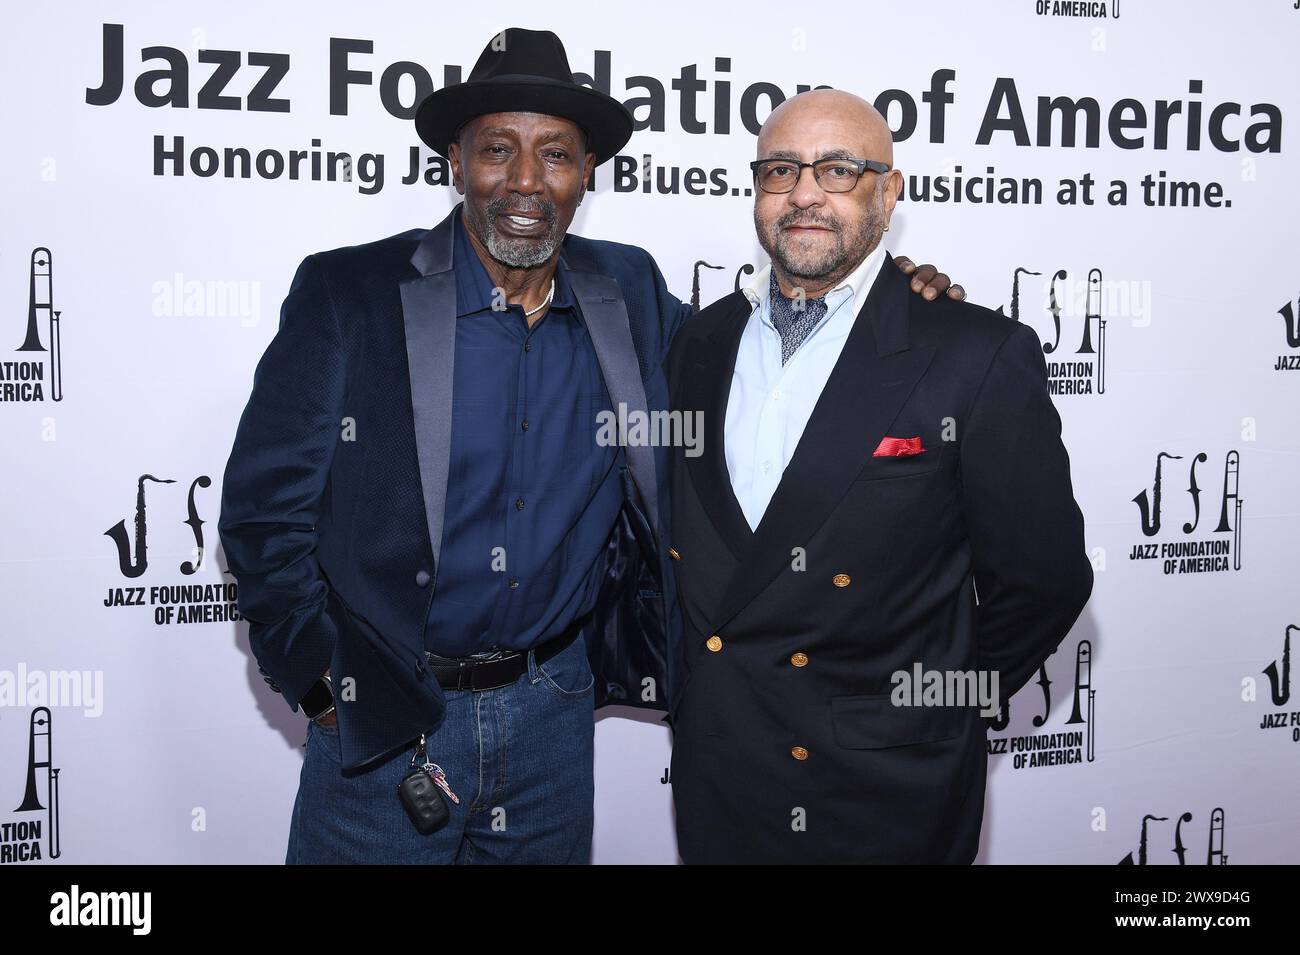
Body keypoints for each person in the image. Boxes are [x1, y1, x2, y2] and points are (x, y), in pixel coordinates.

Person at [218, 28, 958, 864]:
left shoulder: (628, 290)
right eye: (497, 149)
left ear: (587, 173)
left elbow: (759, 355)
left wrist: (887, 295)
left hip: (554, 714)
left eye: (556, 155)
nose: (526, 180)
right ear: (456, 163)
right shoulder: (350, 292)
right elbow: (261, 516)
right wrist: (325, 687)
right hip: (389, 717)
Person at [664, 89, 1093, 864]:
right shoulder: (701, 340)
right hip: (720, 774)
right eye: (780, 170)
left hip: (883, 793)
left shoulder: (973, 352)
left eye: (837, 170)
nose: (804, 193)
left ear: (888, 193)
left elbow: (1045, 581)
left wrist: (931, 709)